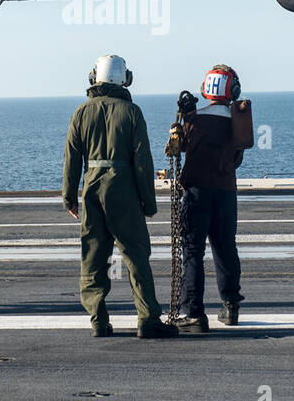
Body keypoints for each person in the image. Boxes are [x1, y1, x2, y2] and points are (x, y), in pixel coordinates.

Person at [63, 55, 178, 339]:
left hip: (91, 190)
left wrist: (69, 198)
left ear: (94, 78)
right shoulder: (132, 112)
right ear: (124, 79)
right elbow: (143, 161)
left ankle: (98, 321)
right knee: (136, 255)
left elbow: (71, 159)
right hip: (124, 190)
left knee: (92, 257)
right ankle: (147, 319)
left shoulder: (80, 113)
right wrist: (148, 202)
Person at [169, 65, 248, 331]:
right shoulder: (238, 122)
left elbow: (174, 149)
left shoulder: (192, 119)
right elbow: (237, 159)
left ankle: (193, 314)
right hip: (226, 192)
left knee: (192, 250)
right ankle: (230, 306)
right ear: (232, 90)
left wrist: (184, 115)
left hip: (196, 193)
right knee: (226, 248)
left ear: (207, 89)